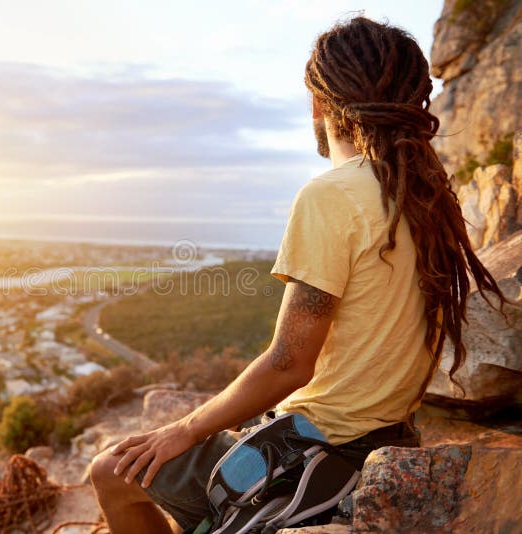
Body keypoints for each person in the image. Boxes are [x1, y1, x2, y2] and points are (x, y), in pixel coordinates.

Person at [89, 15, 511, 533]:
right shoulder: (426, 196)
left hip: (315, 442)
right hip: (388, 436)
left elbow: (291, 363)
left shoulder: (331, 195)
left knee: (110, 471)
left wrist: (185, 428)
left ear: (318, 102)